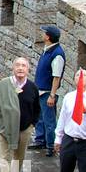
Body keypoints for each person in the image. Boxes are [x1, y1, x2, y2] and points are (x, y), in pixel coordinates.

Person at [0, 56, 41, 172]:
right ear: (13, 68)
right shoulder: (4, 85)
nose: (20, 68)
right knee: (4, 159)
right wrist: (1, 127)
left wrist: (32, 124)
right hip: (6, 130)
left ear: (28, 69)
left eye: (23, 66)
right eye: (17, 65)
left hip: (24, 129)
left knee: (19, 157)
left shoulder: (32, 88)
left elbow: (37, 108)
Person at [29, 25, 66, 157]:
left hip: (47, 92)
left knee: (49, 120)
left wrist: (52, 95)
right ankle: (40, 140)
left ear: (48, 36)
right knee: (39, 117)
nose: (42, 34)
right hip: (40, 90)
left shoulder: (57, 54)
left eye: (44, 33)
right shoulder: (48, 50)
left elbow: (56, 77)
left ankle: (51, 145)